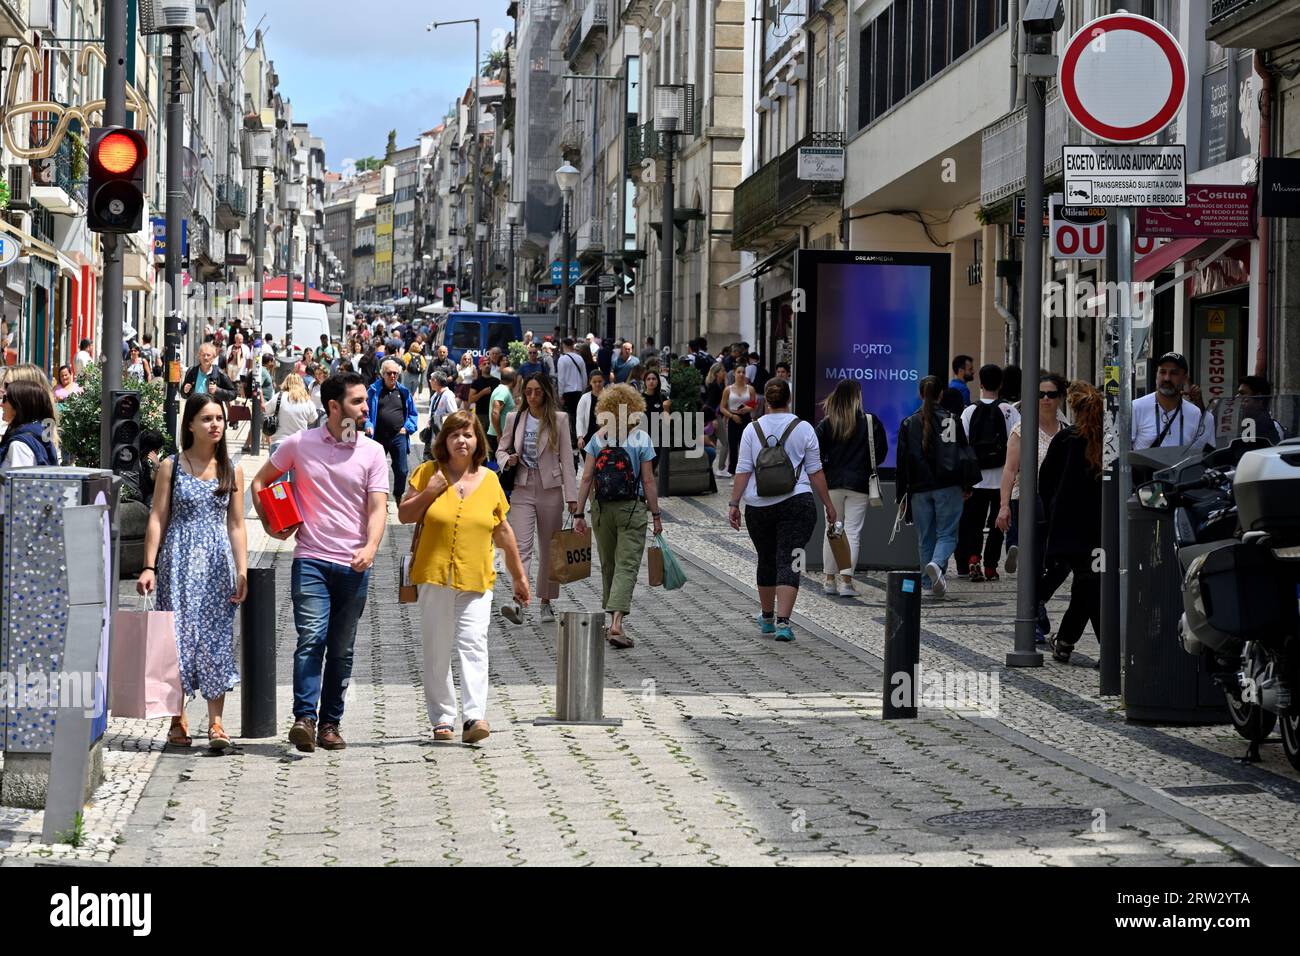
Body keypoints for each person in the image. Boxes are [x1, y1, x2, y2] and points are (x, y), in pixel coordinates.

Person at [251, 372, 389, 753]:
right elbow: (260, 482)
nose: (365, 408)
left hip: (354, 565)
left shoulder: (372, 452)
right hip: (310, 559)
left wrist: (372, 547)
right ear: (333, 407)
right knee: (312, 639)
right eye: (358, 402)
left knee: (342, 649)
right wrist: (272, 523)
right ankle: (305, 719)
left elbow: (379, 508)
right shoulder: (300, 444)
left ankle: (331, 723)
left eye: (366, 401)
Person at [399, 410, 530, 740]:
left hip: (476, 576)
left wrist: (519, 576)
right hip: (433, 574)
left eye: (468, 435)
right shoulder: (428, 472)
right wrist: (430, 492)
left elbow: (503, 532)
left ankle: (474, 718)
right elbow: (404, 515)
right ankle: (442, 717)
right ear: (444, 440)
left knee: (473, 643)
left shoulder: (489, 480)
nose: (461, 440)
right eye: (455, 434)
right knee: (437, 647)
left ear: (477, 442)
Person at [136, 394, 247, 751]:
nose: (215, 424)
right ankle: (177, 718)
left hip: (216, 563)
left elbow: (237, 525)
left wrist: (241, 570)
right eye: (206, 418)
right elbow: (157, 517)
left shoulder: (233, 469)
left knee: (214, 639)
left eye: (219, 418)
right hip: (178, 560)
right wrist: (148, 565)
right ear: (190, 425)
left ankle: (216, 723)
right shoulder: (171, 465)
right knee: (177, 639)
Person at [728, 378, 838, 643]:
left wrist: (733, 504)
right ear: (789, 398)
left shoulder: (752, 430)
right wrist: (829, 505)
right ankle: (783, 623)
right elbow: (815, 471)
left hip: (758, 505)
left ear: (766, 399)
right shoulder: (804, 428)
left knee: (766, 558)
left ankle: (766, 617)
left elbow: (743, 470)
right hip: (797, 502)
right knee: (789, 560)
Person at [573, 384, 662, 648]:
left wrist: (579, 513)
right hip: (631, 509)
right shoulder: (641, 439)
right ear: (636, 409)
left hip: (602, 509)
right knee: (627, 566)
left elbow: (587, 477)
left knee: (609, 565)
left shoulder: (597, 438)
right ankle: (616, 624)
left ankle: (609, 619)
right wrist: (656, 515)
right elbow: (648, 481)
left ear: (605, 409)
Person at [495, 372, 578, 624]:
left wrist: (572, 497)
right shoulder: (515, 418)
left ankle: (546, 601)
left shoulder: (559, 420)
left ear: (546, 393)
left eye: (537, 391)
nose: (532, 396)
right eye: (528, 391)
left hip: (550, 488)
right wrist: (505, 460)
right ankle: (519, 601)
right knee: (520, 547)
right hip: (522, 486)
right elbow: (500, 447)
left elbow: (567, 459)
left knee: (550, 548)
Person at [996, 372, 1067, 640]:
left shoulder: (1066, 428)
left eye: (1051, 394)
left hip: (1059, 505)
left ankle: (1037, 602)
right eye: (1040, 394)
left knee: (1063, 561)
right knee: (1035, 562)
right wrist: (1004, 506)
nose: (1046, 399)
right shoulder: (1022, 430)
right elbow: (1009, 470)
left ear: (1060, 397)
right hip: (1028, 501)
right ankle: (1033, 618)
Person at [1040, 381, 1105, 664]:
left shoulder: (1066, 439)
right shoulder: (1110, 439)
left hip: (1071, 526)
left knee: (1088, 584)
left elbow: (1046, 483)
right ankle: (1066, 641)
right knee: (1090, 583)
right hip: (1103, 526)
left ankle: (1098, 645)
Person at [896, 376, 972, 599]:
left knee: (925, 538)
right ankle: (938, 565)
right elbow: (963, 454)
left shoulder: (909, 423)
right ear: (941, 394)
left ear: (921, 394)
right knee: (947, 534)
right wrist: (967, 484)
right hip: (948, 485)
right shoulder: (952, 419)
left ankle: (929, 583)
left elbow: (903, 462)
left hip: (919, 488)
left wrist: (902, 495)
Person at [816, 379, 889, 597]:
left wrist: (828, 466)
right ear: (857, 396)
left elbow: (815, 453)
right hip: (859, 484)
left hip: (832, 483)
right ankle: (846, 582)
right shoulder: (869, 421)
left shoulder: (827, 423)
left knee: (831, 531)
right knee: (852, 532)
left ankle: (829, 580)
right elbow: (882, 452)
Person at [957, 364, 1019, 582]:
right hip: (1003, 477)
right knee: (998, 523)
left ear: (980, 383)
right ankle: (991, 566)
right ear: (1001, 384)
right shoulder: (1009, 410)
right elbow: (1017, 440)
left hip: (976, 478)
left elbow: (962, 445)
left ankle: (973, 558)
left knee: (973, 523)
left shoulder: (969, 411)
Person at [1131, 351, 1214, 451]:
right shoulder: (1136, 408)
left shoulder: (1195, 414)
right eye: (1162, 372)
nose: (1167, 378)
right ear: (1156, 375)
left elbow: (1204, 455)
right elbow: (1122, 452)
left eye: (1174, 373)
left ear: (1185, 378)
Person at [365, 359, 419, 500]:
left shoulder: (404, 392)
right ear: (383, 374)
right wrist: (368, 425)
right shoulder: (373, 390)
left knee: (402, 470)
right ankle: (379, 499)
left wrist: (407, 428)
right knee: (377, 470)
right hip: (378, 436)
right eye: (389, 373)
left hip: (398, 436)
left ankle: (398, 494)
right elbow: (365, 412)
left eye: (395, 373)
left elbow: (413, 414)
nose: (392, 376)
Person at [267, 373, 320, 478]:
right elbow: (313, 418)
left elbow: (267, 410)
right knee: (297, 482)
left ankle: (280, 495)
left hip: (279, 443)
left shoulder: (279, 396)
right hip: (299, 444)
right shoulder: (306, 400)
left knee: (278, 482)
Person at [0, 379, 59, 470]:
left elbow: (20, 482)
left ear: (19, 405)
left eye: (5, 399)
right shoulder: (37, 434)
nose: (1, 404)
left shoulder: (19, 445)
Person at [722, 365, 757, 477]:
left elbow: (754, 403)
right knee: (733, 446)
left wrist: (749, 408)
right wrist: (731, 416)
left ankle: (747, 470)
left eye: (743, 372)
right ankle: (733, 471)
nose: (741, 374)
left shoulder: (750, 389)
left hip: (746, 418)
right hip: (733, 418)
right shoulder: (728, 389)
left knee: (746, 445)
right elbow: (722, 407)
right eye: (739, 372)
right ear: (734, 373)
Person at [557, 338, 588, 449]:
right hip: (579, 390)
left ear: (564, 345)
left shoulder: (562, 359)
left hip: (567, 391)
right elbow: (584, 376)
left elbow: (561, 378)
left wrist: (560, 394)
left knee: (570, 415)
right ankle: (579, 436)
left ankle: (573, 438)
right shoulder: (579, 358)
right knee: (578, 415)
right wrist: (584, 390)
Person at [703, 362, 730, 477]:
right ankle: (721, 468)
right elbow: (709, 405)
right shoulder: (714, 386)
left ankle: (708, 468)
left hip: (714, 417)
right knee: (725, 443)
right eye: (722, 371)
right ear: (717, 373)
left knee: (712, 444)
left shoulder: (719, 385)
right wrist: (713, 419)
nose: (724, 373)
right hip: (714, 417)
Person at [487, 367, 518, 454]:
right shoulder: (502, 391)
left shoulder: (504, 390)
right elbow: (495, 412)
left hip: (501, 435)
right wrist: (499, 434)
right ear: (514, 378)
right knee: (501, 466)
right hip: (499, 436)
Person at [574, 369, 605, 451]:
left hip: (605, 437)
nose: (597, 384)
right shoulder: (584, 398)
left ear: (604, 381)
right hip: (588, 437)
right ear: (590, 382)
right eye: (594, 382)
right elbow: (579, 418)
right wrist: (580, 437)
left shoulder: (609, 396)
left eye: (600, 381)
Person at [468, 356, 498, 437]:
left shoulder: (496, 381)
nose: (487, 365)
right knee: (482, 437)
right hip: (481, 415)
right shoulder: (477, 382)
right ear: (480, 367)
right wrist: (482, 393)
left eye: (488, 363)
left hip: (494, 414)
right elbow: (470, 399)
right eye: (484, 364)